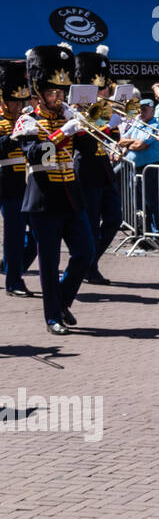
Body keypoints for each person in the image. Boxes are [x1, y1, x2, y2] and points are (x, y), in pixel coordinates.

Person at [13, 45, 96, 334]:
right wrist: (65, 133)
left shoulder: (69, 115)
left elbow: (89, 150)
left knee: (85, 252)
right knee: (49, 263)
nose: (58, 97)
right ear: (39, 92)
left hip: (71, 195)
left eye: (62, 92)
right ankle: (52, 317)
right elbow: (38, 154)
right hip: (43, 199)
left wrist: (85, 127)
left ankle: (61, 301)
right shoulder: (28, 120)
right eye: (52, 92)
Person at [73, 47, 122, 286]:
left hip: (104, 169)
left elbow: (114, 137)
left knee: (114, 219)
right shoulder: (74, 109)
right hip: (86, 170)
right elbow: (81, 142)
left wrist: (115, 124)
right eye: (99, 86)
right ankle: (89, 267)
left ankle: (90, 260)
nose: (103, 90)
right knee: (91, 223)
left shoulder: (104, 107)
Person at [0, 60, 38, 297]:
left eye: (19, 100)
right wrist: (15, 137)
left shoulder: (24, 117)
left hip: (22, 184)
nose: (17, 104)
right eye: (13, 99)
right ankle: (13, 281)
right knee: (13, 235)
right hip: (4, 181)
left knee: (34, 237)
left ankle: (12, 270)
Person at [119, 98, 159, 234]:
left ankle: (156, 232)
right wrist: (132, 142)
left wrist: (129, 145)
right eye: (140, 109)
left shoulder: (156, 126)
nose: (141, 112)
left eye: (144, 109)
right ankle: (144, 229)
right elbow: (121, 141)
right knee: (139, 202)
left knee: (152, 201)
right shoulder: (137, 123)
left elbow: (141, 145)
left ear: (152, 110)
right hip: (135, 169)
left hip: (149, 168)